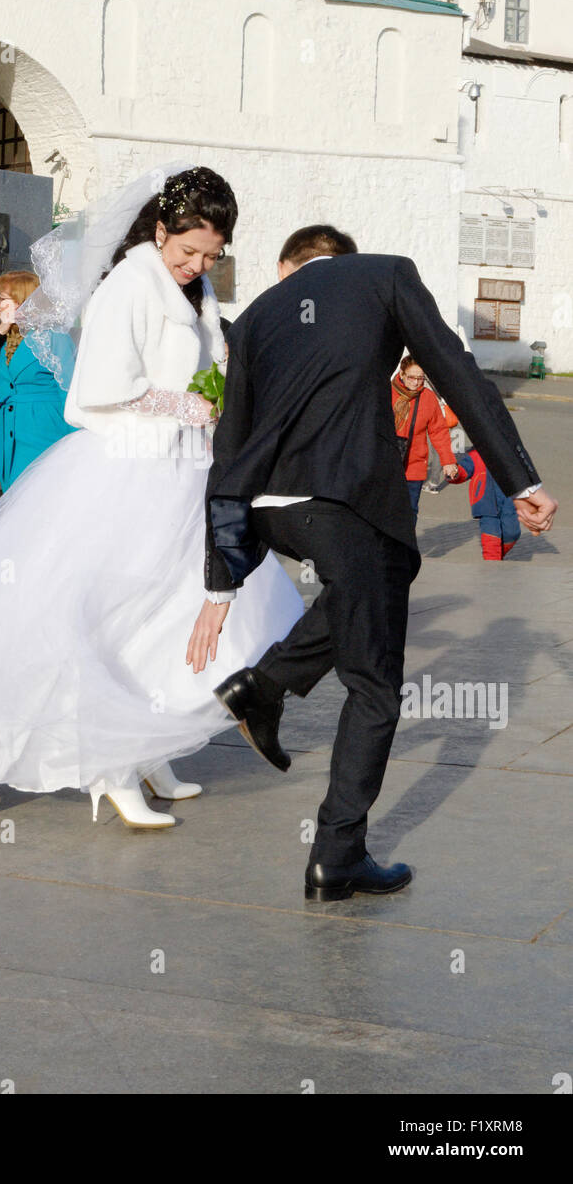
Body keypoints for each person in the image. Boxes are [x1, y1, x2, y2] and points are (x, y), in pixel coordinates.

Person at [0, 166, 304, 828]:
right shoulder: (126, 290)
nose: (198, 265)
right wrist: (185, 402)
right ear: (160, 231)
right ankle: (110, 766)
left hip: (182, 470)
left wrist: (221, 383)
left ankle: (147, 746)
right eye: (188, 251)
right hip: (129, 473)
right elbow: (92, 396)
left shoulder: (191, 294)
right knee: (115, 616)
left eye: (211, 256)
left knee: (170, 618)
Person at [188, 236, 557, 901]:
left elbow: (230, 441)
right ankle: (338, 854)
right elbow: (453, 369)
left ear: (298, 265)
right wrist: (519, 480)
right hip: (340, 500)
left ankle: (265, 685)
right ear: (344, 255)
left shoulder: (260, 315)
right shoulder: (387, 275)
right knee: (376, 688)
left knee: (385, 575)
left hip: (273, 509)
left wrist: (221, 570)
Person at [0, 269, 76, 491]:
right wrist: (1, 329)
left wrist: (75, 443)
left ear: (22, 301)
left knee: (43, 496)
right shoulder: (1, 338)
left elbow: (69, 389)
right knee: (15, 499)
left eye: (3, 298)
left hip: (45, 429)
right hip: (9, 431)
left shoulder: (53, 336)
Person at [391, 356, 459, 520]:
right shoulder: (386, 392)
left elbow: (439, 431)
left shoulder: (428, 398)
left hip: (414, 465)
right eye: (411, 377)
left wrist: (448, 461)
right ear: (402, 373)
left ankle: (405, 546)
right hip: (385, 464)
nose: (415, 383)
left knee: (410, 512)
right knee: (384, 512)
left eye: (420, 378)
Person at [450, 449, 521, 560]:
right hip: (485, 503)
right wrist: (455, 473)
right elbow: (463, 471)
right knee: (491, 539)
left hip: (509, 502)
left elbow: (524, 475)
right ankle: (492, 565)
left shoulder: (512, 452)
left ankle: (497, 557)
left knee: (512, 533)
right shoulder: (476, 455)